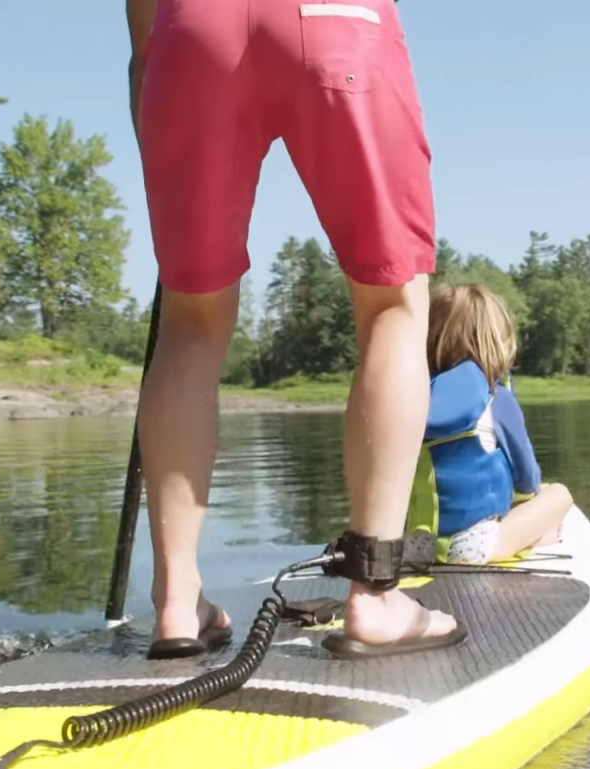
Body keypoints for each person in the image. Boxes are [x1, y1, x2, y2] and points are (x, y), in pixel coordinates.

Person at [124, 0, 462, 660]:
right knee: (392, 305)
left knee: (189, 325)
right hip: (338, 20)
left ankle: (176, 601)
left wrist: (153, 72)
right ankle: (376, 593)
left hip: (189, 32)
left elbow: (143, 29)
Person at [400, 283, 573, 570]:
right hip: (470, 547)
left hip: (417, 544)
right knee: (559, 494)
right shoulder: (496, 399)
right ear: (496, 342)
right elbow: (528, 481)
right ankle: (534, 538)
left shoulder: (410, 398)